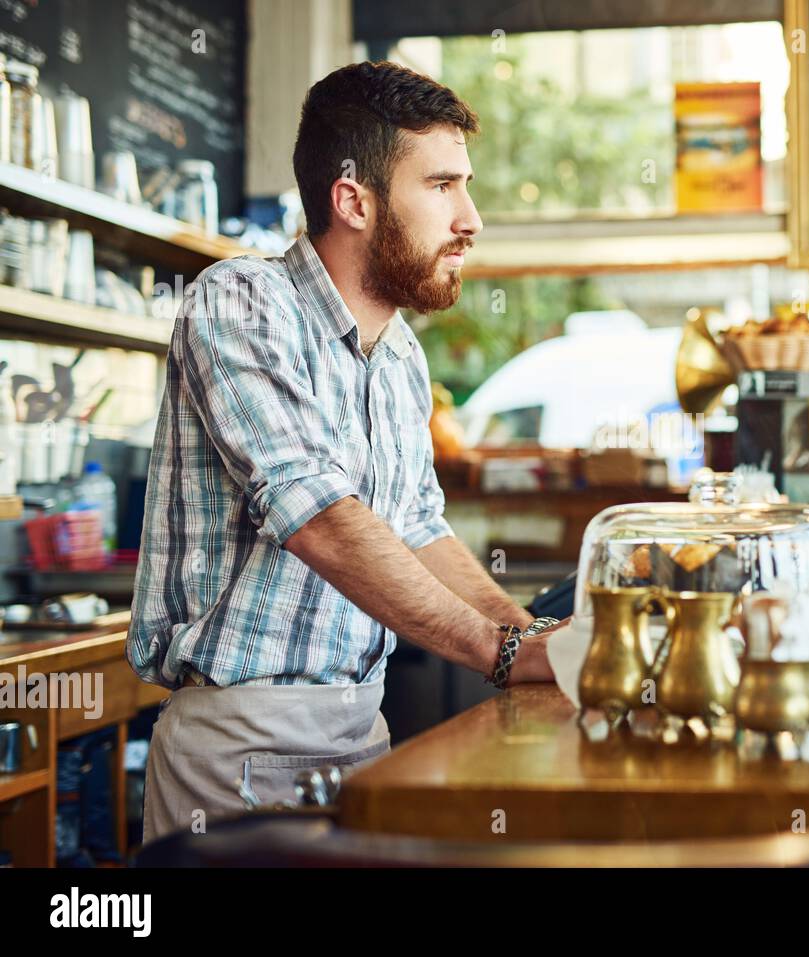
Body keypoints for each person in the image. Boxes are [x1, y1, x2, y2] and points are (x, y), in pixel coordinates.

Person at [128, 61, 558, 844]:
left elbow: (419, 527)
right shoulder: (240, 302)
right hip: (242, 750)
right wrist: (499, 654)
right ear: (353, 200)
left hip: (364, 732)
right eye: (441, 186)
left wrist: (530, 636)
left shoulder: (399, 356)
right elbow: (317, 514)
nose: (471, 217)